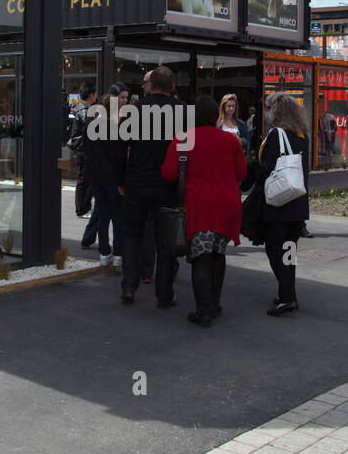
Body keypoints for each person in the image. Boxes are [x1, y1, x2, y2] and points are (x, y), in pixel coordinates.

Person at [161, 95, 246, 326]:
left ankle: (204, 310)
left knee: (201, 257)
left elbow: (168, 173)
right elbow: (242, 174)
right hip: (228, 203)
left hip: (200, 204)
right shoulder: (231, 141)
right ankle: (215, 304)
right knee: (218, 254)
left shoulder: (184, 139)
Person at [120, 66, 182, 307]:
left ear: (150, 85)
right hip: (168, 183)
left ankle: (128, 286)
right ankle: (164, 295)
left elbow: (120, 146)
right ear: (172, 87)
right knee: (166, 241)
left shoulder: (134, 110)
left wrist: (120, 180)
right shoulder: (183, 112)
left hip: (137, 180)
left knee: (132, 234)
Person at [252, 92, 310, 316]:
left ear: (274, 111)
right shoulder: (302, 134)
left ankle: (287, 297)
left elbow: (266, 168)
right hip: (298, 204)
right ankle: (288, 294)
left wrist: (255, 178)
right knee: (289, 251)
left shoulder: (276, 134)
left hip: (279, 204)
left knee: (274, 248)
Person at [83, 95, 127, 268]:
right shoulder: (115, 129)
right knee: (117, 216)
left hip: (96, 178)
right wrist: (123, 181)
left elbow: (87, 153)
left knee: (102, 214)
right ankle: (117, 253)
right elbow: (121, 157)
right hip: (113, 178)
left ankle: (104, 252)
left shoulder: (89, 127)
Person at [69, 83, 99, 246]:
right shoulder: (84, 110)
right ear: (91, 95)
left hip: (81, 149)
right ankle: (82, 208)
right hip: (84, 149)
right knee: (84, 178)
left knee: (84, 178)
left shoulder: (80, 108)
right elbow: (87, 130)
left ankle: (84, 207)